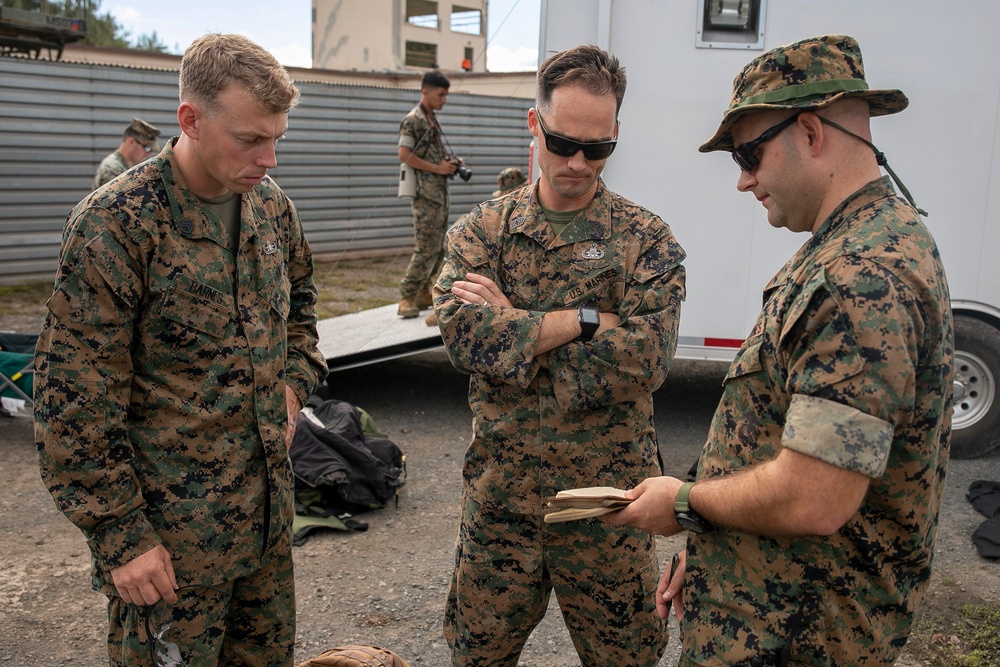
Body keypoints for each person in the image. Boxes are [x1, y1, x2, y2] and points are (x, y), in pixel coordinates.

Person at [604, 34, 953, 666]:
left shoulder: (859, 276)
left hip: (795, 633)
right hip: (779, 605)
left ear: (812, 132)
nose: (742, 180)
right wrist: (716, 538)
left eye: (749, 154)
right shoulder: (863, 239)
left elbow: (815, 496)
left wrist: (682, 504)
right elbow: (781, 441)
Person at [35, 33, 328, 666]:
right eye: (251, 139)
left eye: (278, 136)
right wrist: (120, 536)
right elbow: (72, 400)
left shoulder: (271, 210)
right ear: (189, 120)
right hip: (170, 548)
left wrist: (291, 385)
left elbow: (302, 317)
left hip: (267, 530)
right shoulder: (117, 223)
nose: (270, 157)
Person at [433, 44, 687, 666]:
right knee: (477, 656)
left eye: (597, 148)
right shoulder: (480, 234)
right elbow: (464, 338)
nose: (577, 162)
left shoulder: (646, 240)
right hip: (502, 504)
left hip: (609, 508)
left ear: (616, 134)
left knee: (625, 659)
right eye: (563, 142)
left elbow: (648, 359)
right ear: (533, 123)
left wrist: (515, 334)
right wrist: (584, 320)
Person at [397, 69, 459, 320]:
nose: (444, 99)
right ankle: (406, 296)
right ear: (425, 92)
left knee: (436, 248)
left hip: (439, 194)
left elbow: (430, 153)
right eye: (440, 94)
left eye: (446, 95)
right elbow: (404, 155)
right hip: (425, 195)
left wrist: (449, 164)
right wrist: (437, 168)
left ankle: (423, 291)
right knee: (426, 248)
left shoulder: (431, 118)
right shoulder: (413, 120)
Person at [92, 117, 161, 189]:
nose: (147, 154)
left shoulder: (121, 166)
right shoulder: (114, 169)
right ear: (131, 142)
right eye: (147, 148)